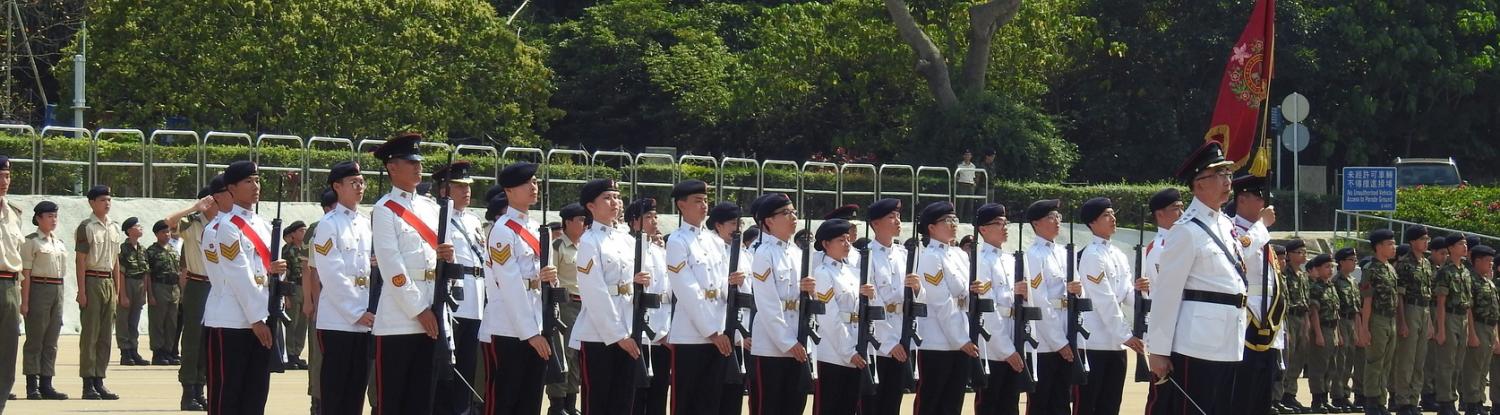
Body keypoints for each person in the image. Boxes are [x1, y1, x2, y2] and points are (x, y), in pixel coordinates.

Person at [1144, 142, 1248, 415]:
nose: (1228, 181)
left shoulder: (1225, 224)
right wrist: (1158, 350)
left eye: (1228, 174)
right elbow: (1166, 293)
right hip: (1197, 342)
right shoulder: (1186, 231)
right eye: (1219, 175)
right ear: (1199, 183)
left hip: (1229, 339)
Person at [369, 133, 455, 414]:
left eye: (418, 161)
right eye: (410, 162)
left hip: (433, 309)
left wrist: (448, 257)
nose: (418, 167)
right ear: (392, 167)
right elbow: (392, 266)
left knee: (422, 401)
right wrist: (419, 309)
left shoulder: (431, 208)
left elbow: (439, 260)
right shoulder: (384, 209)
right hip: (399, 317)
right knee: (393, 401)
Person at [482, 161, 559, 415]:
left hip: (536, 321)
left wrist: (549, 277)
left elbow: (538, 277)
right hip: (510, 327)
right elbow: (511, 286)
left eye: (535, 182)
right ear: (510, 191)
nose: (533, 187)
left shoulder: (534, 228)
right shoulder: (503, 230)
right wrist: (530, 333)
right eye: (527, 183)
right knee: (506, 398)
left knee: (530, 399)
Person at [570, 179, 652, 415]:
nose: (614, 202)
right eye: (607, 197)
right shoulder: (589, 241)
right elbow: (594, 291)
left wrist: (638, 281)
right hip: (600, 332)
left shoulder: (627, 240)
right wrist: (617, 335)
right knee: (599, 401)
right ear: (591, 206)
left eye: (617, 197)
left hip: (629, 325)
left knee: (623, 400)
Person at [664, 181, 741, 415]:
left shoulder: (715, 241)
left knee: (711, 402)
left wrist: (733, 284)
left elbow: (720, 286)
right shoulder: (677, 241)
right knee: (687, 401)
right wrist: (711, 331)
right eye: (697, 201)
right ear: (681, 205)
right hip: (691, 334)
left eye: (705, 200)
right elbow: (687, 290)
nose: (704, 205)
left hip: (718, 333)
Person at [1074, 197, 1149, 414]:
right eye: (1106, 215)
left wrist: (1144, 298)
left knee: (1111, 403)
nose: (1113, 219)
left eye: (1113, 213)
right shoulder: (1092, 255)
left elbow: (1125, 293)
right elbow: (1104, 300)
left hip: (1115, 344)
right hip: (1094, 341)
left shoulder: (1117, 254)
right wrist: (1126, 334)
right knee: (1087, 405)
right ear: (1092, 223)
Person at [312, 161, 375, 415]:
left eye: (361, 182)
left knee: (356, 390)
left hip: (364, 319)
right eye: (353, 183)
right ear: (337, 187)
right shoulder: (329, 224)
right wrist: (355, 311)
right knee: (335, 391)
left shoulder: (365, 223)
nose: (359, 187)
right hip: (339, 319)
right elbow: (332, 273)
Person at [748, 193, 815, 415]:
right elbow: (768, 304)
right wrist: (787, 342)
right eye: (786, 213)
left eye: (794, 212)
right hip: (772, 345)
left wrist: (809, 291)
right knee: (770, 406)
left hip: (798, 338)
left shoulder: (797, 253)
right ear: (769, 221)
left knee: (794, 405)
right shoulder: (764, 254)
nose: (793, 217)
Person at [913, 201, 980, 415]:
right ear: (931, 227)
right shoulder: (930, 257)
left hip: (961, 335)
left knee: (953, 402)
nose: (953, 224)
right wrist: (961, 339)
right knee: (932, 401)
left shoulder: (959, 255)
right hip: (937, 341)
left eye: (955, 220)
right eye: (947, 220)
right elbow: (941, 302)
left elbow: (965, 295)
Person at [431, 161, 487, 415]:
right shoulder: (437, 218)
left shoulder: (473, 220)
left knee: (468, 364)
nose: (466, 191)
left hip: (475, 300)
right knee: (447, 367)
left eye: (468, 186)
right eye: (459, 186)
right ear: (444, 190)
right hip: (453, 301)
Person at [808, 218, 875, 415]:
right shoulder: (822, 273)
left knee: (849, 406)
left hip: (855, 345)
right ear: (826, 244)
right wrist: (848, 351)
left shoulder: (853, 273)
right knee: (830, 407)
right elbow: (830, 317)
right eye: (841, 240)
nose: (847, 244)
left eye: (848, 239)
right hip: (833, 351)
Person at [861, 198, 920, 415]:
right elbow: (872, 303)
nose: (897, 221)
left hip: (902, 336)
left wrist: (917, 288)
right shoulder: (865, 256)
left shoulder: (905, 255)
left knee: (893, 402)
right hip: (878, 341)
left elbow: (918, 298)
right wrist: (889, 341)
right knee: (873, 403)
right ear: (876, 224)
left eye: (898, 216)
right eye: (891, 217)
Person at [167, 181, 220, 410]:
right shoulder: (192, 225)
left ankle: (201, 388)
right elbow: (169, 222)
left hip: (217, 287)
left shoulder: (221, 225)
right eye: (213, 200)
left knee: (209, 340)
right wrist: (193, 208)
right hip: (198, 286)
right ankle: (188, 391)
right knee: (193, 340)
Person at [971, 203, 1027, 415]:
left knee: (1010, 405)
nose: (1004, 226)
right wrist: (1005, 349)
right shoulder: (981, 260)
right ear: (983, 229)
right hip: (992, 344)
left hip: (1014, 334)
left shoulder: (1011, 259)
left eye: (1006, 222)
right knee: (990, 403)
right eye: (998, 223)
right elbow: (988, 309)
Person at [75, 184, 122, 400]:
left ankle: (99, 380)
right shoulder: (86, 226)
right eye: (102, 200)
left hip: (108, 283)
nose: (107, 203)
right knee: (90, 335)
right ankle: (88, 383)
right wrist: (82, 290)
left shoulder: (114, 227)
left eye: (109, 200)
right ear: (92, 203)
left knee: (105, 336)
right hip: (92, 280)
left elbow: (115, 261)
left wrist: (118, 290)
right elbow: (81, 260)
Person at [625, 197, 671, 415]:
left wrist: (668, 329)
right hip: (638, 331)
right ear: (634, 221)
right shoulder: (627, 248)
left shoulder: (660, 252)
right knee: (636, 396)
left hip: (661, 332)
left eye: (655, 216)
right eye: (647, 217)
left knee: (658, 394)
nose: (654, 221)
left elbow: (668, 293)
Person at [19, 200, 68, 400]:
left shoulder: (58, 242)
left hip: (57, 288)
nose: (53, 220)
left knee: (51, 339)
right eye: (49, 216)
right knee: (36, 338)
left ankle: (47, 382)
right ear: (38, 218)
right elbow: (26, 273)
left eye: (55, 216)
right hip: (39, 287)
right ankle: (32, 385)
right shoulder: (31, 241)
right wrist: (25, 301)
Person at [547, 202, 588, 415]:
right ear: (568, 222)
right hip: (565, 304)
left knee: (578, 355)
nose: (584, 224)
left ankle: (572, 403)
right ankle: (557, 404)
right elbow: (551, 279)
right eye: (580, 220)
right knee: (564, 354)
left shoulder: (587, 246)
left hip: (585, 305)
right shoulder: (557, 247)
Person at [1393, 225, 1436, 414]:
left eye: (1427, 238)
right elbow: (1399, 296)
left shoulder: (1426, 264)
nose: (1426, 242)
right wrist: (1402, 321)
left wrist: (1431, 323)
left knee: (1420, 359)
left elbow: (1429, 295)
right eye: (1422, 239)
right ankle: (1403, 401)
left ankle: (1414, 399)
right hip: (1409, 309)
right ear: (1412, 241)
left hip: (1424, 310)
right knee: (1406, 359)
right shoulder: (1404, 264)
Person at [1359, 228, 1401, 415]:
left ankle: (1381, 401)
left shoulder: (1390, 268)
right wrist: (1365, 328)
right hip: (1377, 319)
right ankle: (1371, 402)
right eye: (1389, 244)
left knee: (1386, 363)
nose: (1394, 247)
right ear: (1378, 247)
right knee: (1375, 361)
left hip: (1390, 318)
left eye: (1394, 243)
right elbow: (1367, 300)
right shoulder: (1371, 269)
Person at [1435, 236, 1474, 414]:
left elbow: (1468, 303)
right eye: (1460, 244)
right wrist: (1441, 329)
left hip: (1462, 318)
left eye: (1465, 244)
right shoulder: (1446, 271)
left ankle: (1452, 398)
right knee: (1447, 362)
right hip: (1449, 317)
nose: (1464, 247)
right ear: (1450, 248)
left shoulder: (1465, 271)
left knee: (1458, 363)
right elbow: (1441, 302)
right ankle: (1445, 401)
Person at [1461, 245, 1496, 415]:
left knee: (1483, 369)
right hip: (1478, 325)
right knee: (1473, 368)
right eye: (1487, 261)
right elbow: (1468, 308)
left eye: (1491, 261)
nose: (1491, 264)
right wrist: (1472, 333)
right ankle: (1471, 403)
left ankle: (1480, 400)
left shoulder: (1487, 281)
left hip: (1490, 327)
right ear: (1477, 261)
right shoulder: (1471, 280)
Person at [1305, 253, 1340, 411]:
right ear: (1317, 270)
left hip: (1332, 328)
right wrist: (1318, 334)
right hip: (1322, 328)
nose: (1330, 269)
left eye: (1331, 266)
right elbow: (1314, 312)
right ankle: (1317, 400)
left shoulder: (1331, 286)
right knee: (1319, 366)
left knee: (1330, 366)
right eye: (1327, 267)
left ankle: (1325, 397)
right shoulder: (1316, 288)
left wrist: (1338, 334)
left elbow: (1336, 312)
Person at [145, 220, 182, 366]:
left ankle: (169, 351)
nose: (167, 235)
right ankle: (158, 352)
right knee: (158, 322)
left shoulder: (173, 250)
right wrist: (150, 294)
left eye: (168, 232)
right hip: (159, 286)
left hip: (174, 288)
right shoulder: (151, 251)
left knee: (171, 322)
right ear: (156, 234)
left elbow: (179, 271)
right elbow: (147, 274)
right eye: (163, 232)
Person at [1332, 248, 1365, 412]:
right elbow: (1334, 309)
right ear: (1341, 263)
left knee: (1350, 360)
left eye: (1355, 260)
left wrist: (1359, 331)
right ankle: (1338, 396)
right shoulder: (1335, 282)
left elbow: (1357, 309)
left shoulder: (1352, 281)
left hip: (1352, 322)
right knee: (1341, 362)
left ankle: (1345, 393)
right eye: (1351, 260)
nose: (1354, 262)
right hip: (1341, 321)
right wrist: (1338, 332)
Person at [116, 216, 151, 366]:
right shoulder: (123, 249)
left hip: (139, 285)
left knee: (134, 320)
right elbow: (121, 273)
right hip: (127, 283)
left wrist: (144, 293)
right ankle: (125, 352)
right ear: (129, 231)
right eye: (137, 226)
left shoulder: (142, 249)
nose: (141, 228)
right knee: (123, 319)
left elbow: (145, 272)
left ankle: (134, 349)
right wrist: (122, 294)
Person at [279, 220, 309, 371]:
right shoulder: (287, 250)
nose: (304, 233)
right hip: (293, 288)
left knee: (303, 322)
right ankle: (290, 355)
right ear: (294, 234)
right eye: (301, 231)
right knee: (293, 322)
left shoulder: (306, 249)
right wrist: (286, 296)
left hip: (305, 287)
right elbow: (284, 274)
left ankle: (297, 353)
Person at [955, 150, 977, 217]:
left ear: (971, 156)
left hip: (971, 186)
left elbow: (974, 177)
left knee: (970, 204)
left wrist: (974, 184)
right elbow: (956, 176)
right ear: (963, 156)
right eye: (966, 155)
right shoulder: (959, 166)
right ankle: (959, 218)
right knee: (960, 204)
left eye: (969, 155)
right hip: (962, 186)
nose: (968, 156)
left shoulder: (973, 166)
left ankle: (969, 220)